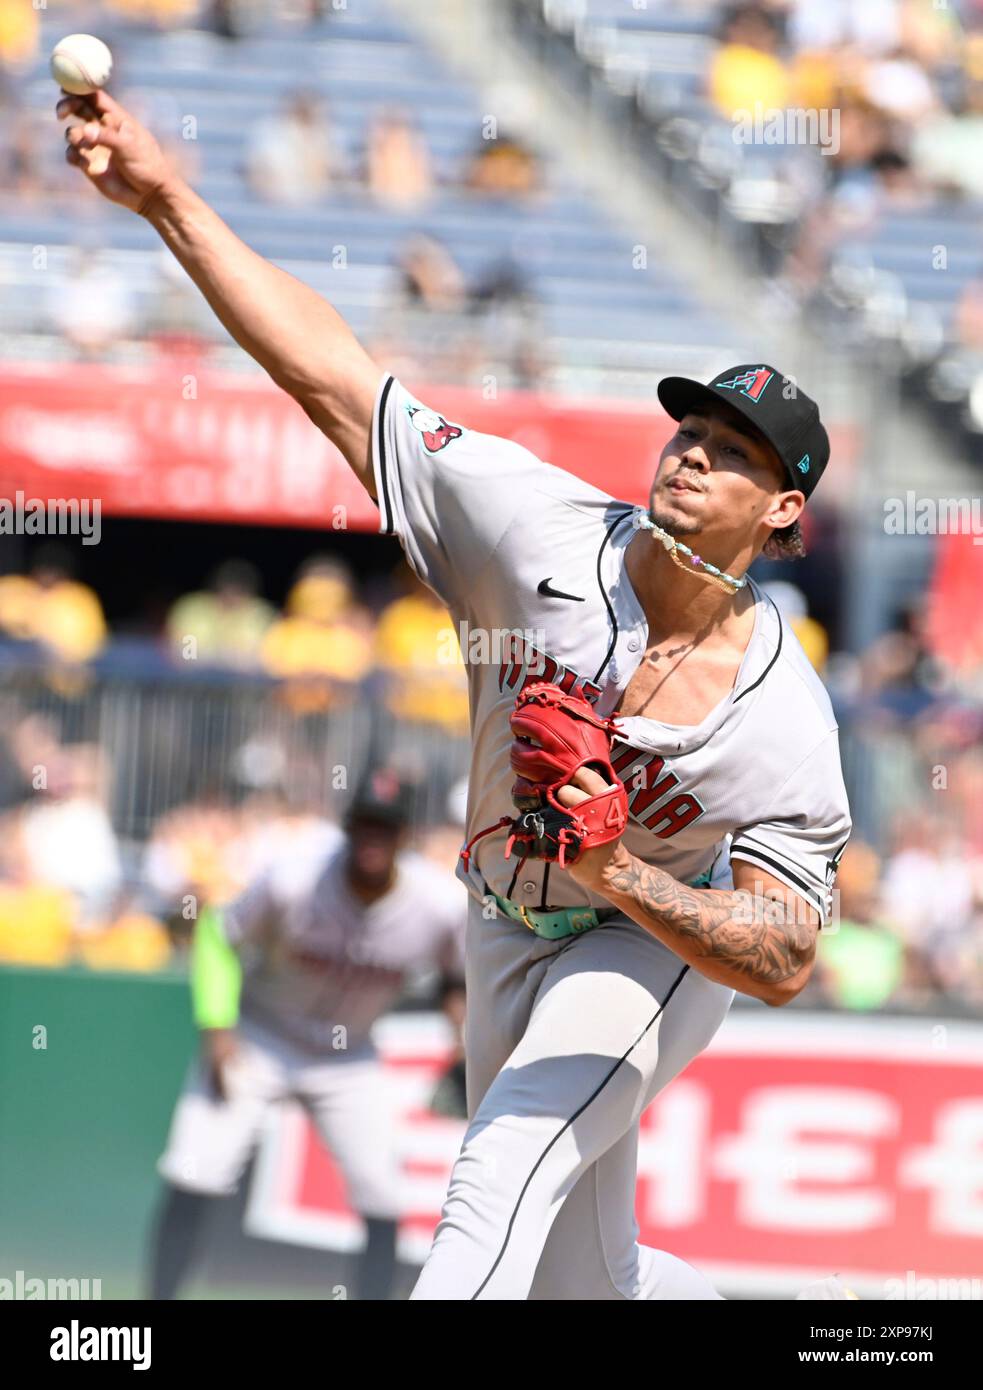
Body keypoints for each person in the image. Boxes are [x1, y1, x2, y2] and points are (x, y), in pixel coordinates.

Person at [58, 90, 852, 1300]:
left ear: (782, 509)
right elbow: (332, 378)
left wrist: (620, 875)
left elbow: (787, 951)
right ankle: (850, 1322)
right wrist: (166, 197)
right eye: (689, 427)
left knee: (500, 1167)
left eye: (733, 450)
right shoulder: (528, 521)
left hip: (642, 944)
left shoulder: (780, 714)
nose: (691, 450)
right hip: (498, 921)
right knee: (578, 1284)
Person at [148, 771, 465, 1301]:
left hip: (349, 1058)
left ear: (404, 836)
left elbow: (457, 979)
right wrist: (218, 1025)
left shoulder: (437, 905)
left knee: (383, 1193)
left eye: (385, 829)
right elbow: (216, 936)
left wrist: (462, 1035)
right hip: (261, 1037)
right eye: (364, 825)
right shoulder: (293, 880)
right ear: (346, 827)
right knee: (194, 1167)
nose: (373, 839)